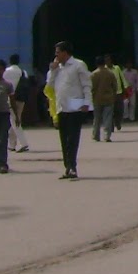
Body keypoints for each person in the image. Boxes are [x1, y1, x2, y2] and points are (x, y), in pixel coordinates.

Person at [47, 42, 93, 179]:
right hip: (61, 107)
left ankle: (72, 166)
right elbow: (49, 85)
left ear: (65, 53)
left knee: (72, 138)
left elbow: (86, 85)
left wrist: (87, 102)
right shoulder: (57, 68)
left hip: (75, 105)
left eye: (58, 52)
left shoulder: (78, 65)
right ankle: (68, 166)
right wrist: (53, 70)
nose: (56, 55)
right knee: (64, 138)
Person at [3, 54, 31, 153]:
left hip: (11, 98)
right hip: (21, 99)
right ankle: (12, 144)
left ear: (10, 61)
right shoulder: (23, 72)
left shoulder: (6, 72)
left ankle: (24, 144)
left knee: (14, 121)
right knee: (15, 119)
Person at [91, 56, 122, 142]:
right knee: (108, 118)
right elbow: (115, 86)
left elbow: (92, 88)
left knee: (97, 118)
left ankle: (96, 135)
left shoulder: (94, 74)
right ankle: (107, 136)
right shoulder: (110, 73)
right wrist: (113, 95)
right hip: (109, 99)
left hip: (97, 99)